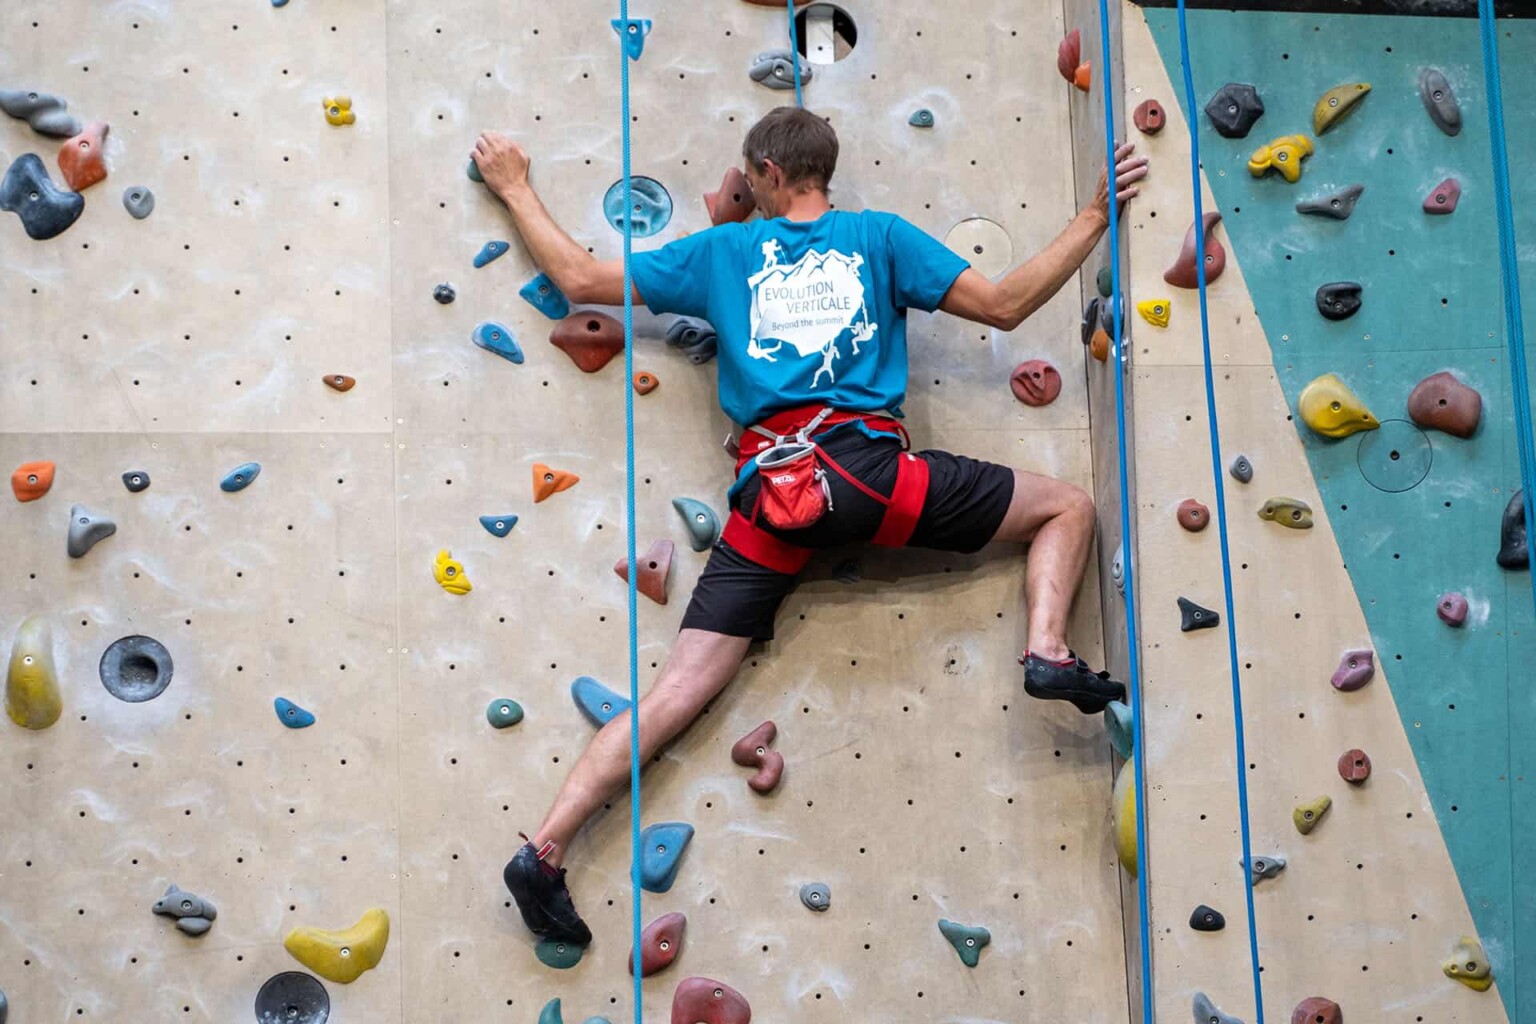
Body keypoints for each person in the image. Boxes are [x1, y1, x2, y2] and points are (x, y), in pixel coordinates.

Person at [470, 106, 1148, 947]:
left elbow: (577, 276)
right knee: (1066, 507)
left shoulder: (721, 253)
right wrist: (1094, 215)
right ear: (821, 169)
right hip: (873, 481)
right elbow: (1006, 304)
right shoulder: (880, 238)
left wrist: (514, 185)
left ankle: (545, 849)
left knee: (674, 695)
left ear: (765, 171)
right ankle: (1046, 650)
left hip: (774, 499)